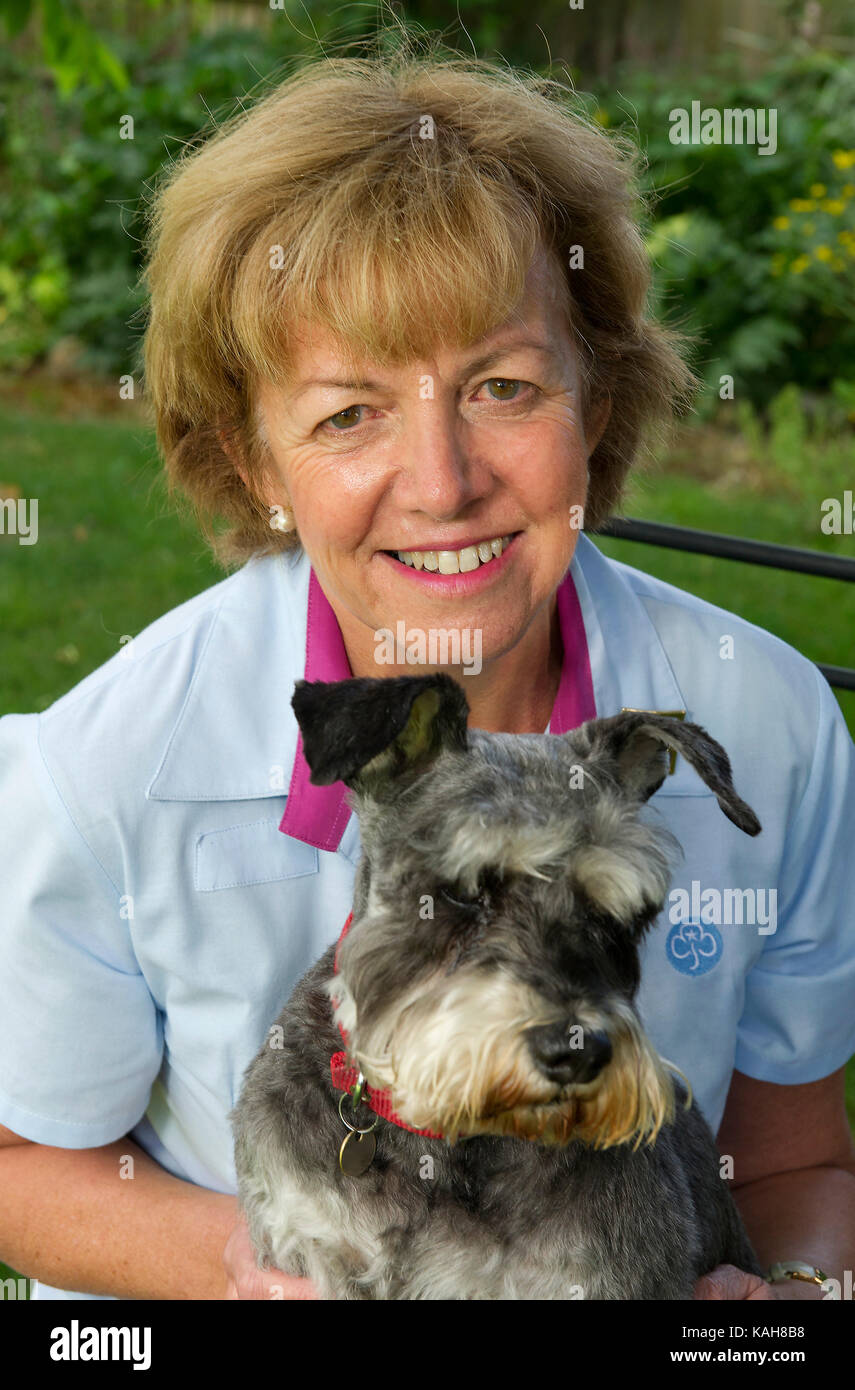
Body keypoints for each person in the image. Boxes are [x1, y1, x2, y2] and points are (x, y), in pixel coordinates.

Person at [1, 46, 854, 1302]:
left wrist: (783, 1304)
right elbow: (21, 1158)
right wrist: (252, 1264)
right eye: (349, 413)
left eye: (504, 386)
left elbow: (794, 1168)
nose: (444, 483)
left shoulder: (771, 722)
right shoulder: (103, 761)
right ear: (252, 461)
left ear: (597, 404)